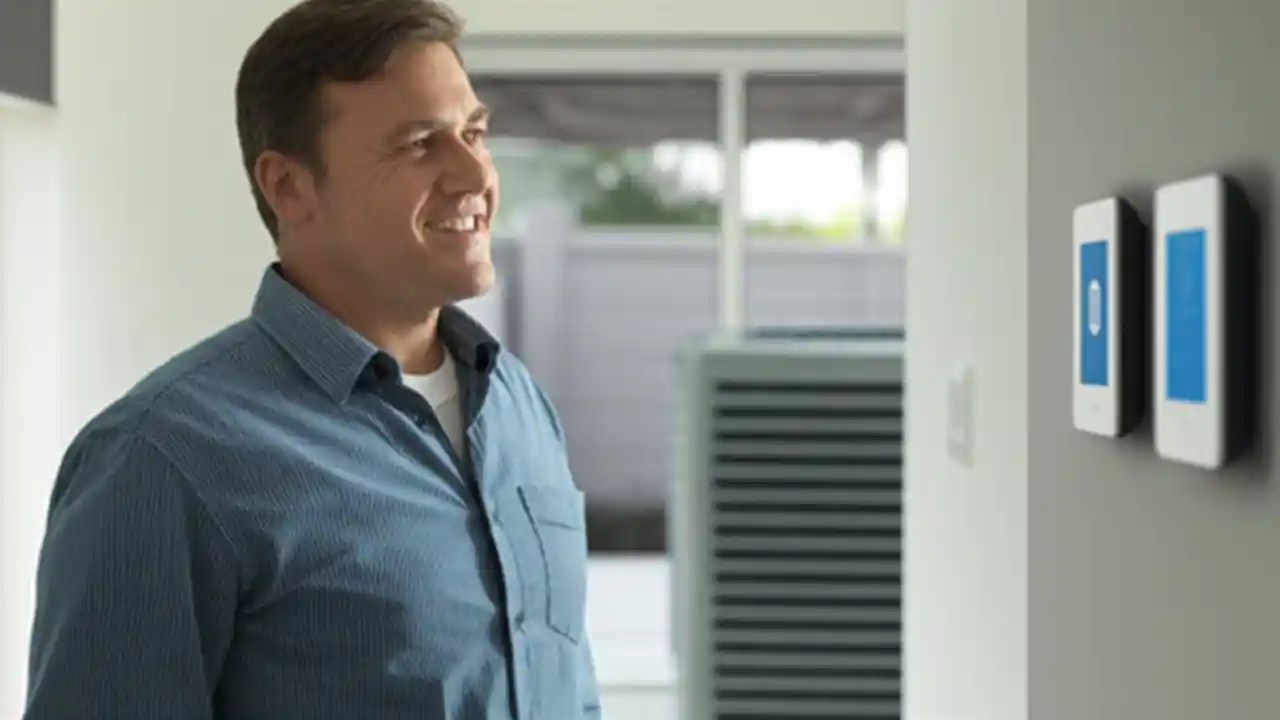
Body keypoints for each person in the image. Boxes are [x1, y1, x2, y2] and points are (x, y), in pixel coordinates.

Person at [23, 1, 600, 717]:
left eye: (474, 133)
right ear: (288, 186)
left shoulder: (520, 405)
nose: (473, 173)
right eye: (421, 143)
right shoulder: (160, 458)